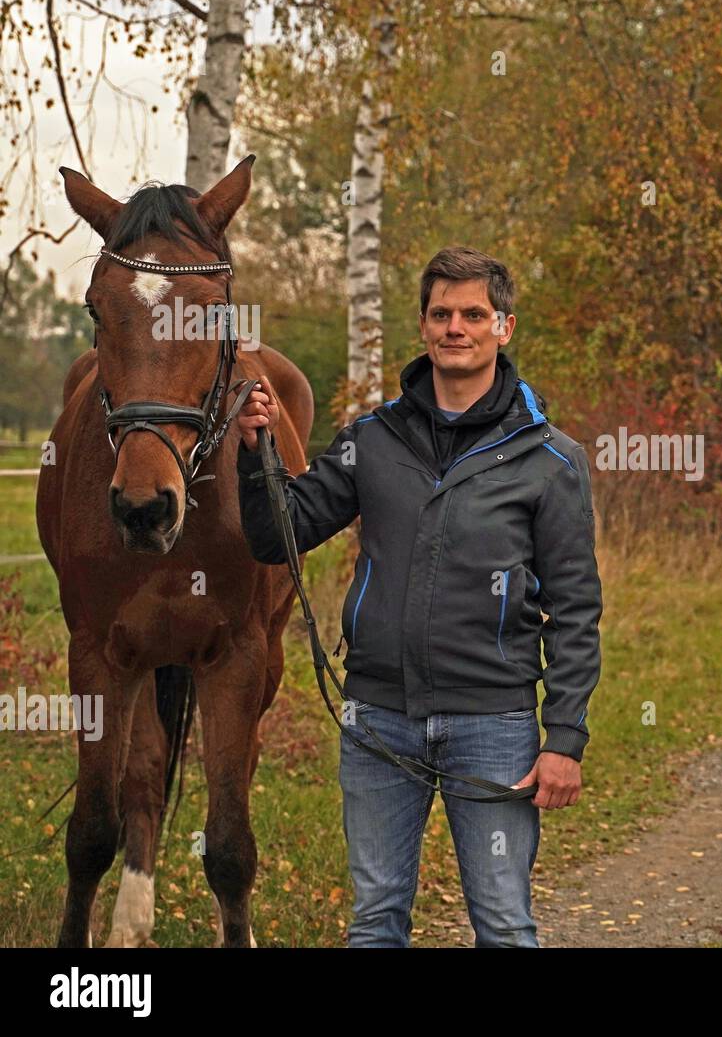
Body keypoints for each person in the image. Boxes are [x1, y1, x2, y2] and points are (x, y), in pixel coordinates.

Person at [235, 246, 602, 946]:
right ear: (424, 327)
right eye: (441, 313)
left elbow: (576, 610)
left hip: (493, 725)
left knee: (502, 921)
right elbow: (280, 534)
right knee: (374, 922)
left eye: (473, 314)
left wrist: (565, 738)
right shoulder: (372, 440)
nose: (454, 327)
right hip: (378, 719)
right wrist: (255, 459)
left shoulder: (552, 460)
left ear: (505, 326)